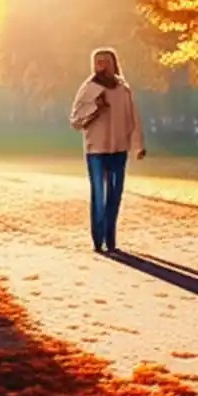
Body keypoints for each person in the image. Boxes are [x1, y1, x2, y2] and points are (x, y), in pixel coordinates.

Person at [69, 47, 146, 253]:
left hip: (119, 148)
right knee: (99, 193)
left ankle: (111, 238)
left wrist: (138, 145)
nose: (101, 65)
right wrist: (97, 108)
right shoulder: (88, 88)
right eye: (98, 61)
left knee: (115, 194)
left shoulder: (123, 89)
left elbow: (133, 119)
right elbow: (76, 121)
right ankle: (98, 239)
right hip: (96, 150)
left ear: (114, 64)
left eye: (106, 61)